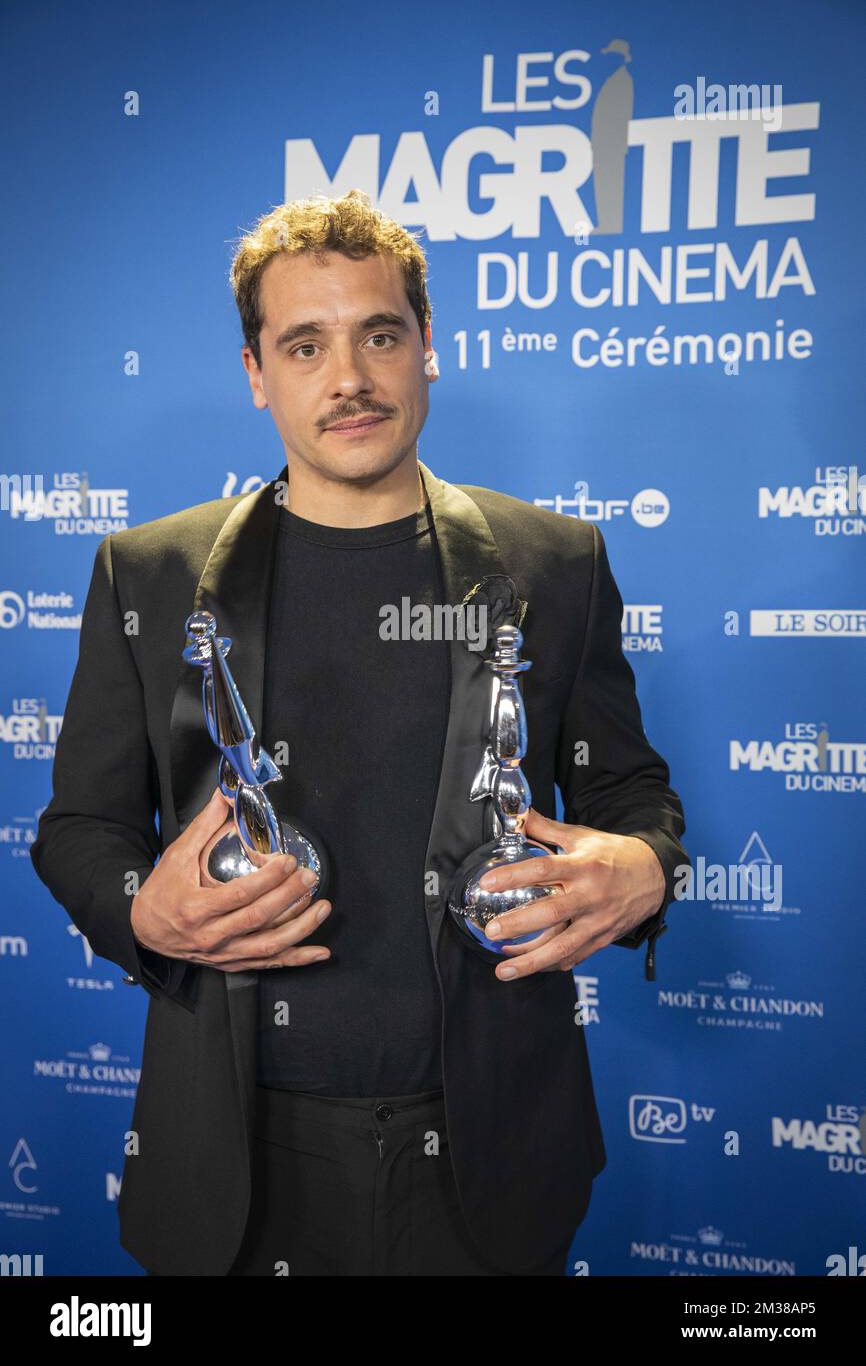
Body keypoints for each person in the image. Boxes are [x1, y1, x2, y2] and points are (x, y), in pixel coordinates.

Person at [31, 188, 690, 1277]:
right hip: (234, 1160)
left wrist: (647, 866)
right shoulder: (145, 572)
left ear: (427, 348)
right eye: (304, 345)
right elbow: (80, 827)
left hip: (489, 1154)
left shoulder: (555, 564)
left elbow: (629, 795)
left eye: (380, 334)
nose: (349, 379)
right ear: (256, 373)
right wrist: (139, 909)